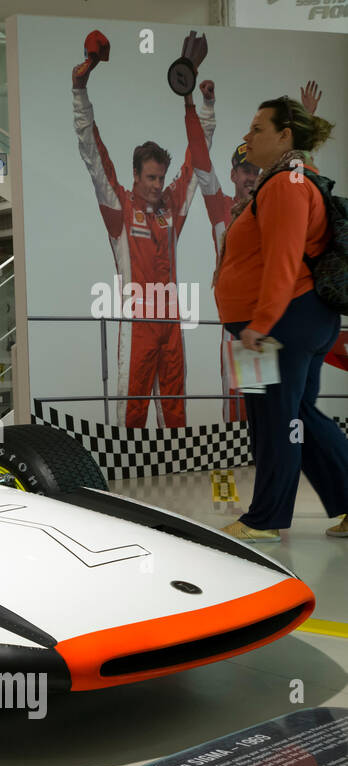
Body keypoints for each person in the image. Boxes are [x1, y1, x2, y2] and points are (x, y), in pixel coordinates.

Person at [214, 95, 348, 542]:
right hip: (276, 322)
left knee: (277, 420)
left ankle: (266, 518)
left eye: (256, 129)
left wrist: (262, 323)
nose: (246, 137)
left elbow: (283, 261)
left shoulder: (288, 184)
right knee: (297, 416)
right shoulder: (285, 179)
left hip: (279, 323)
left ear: (284, 136)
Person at [73, 33, 210, 429]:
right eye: (150, 177)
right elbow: (93, 155)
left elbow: (196, 163)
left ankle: (178, 476)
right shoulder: (119, 206)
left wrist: (201, 102)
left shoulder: (170, 205)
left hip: (171, 325)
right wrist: (79, 92)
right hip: (137, 326)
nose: (156, 184)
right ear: (135, 175)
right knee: (131, 413)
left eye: (160, 177)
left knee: (176, 411)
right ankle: (128, 482)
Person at [185, 80, 321, 421]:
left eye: (254, 170)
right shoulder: (222, 205)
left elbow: (298, 168)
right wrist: (199, 102)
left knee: (281, 412)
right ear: (232, 174)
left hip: (267, 322)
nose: (250, 176)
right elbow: (199, 156)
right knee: (254, 408)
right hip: (240, 326)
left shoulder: (276, 194)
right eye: (244, 170)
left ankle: (288, 464)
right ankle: (259, 460)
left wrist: (304, 119)